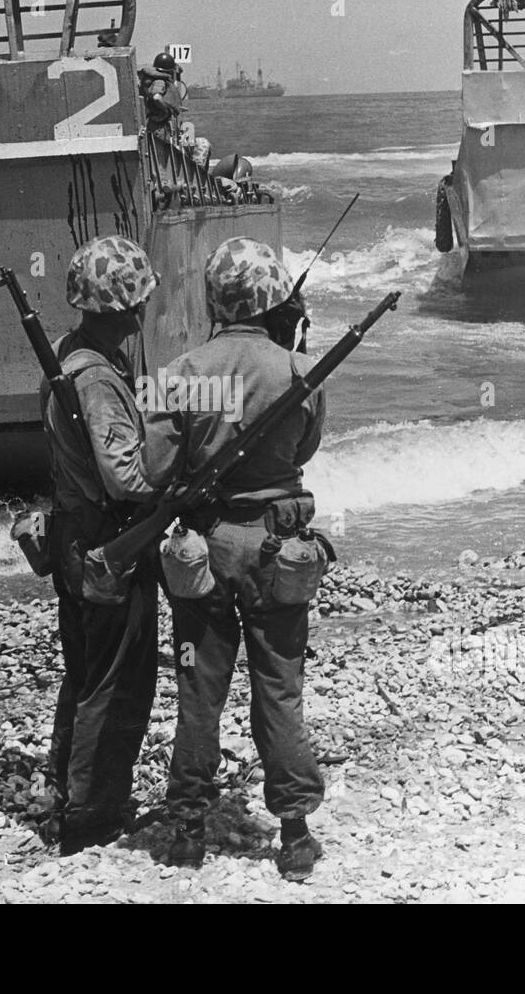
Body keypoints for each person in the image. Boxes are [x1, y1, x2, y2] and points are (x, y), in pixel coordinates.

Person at [142, 237, 328, 882]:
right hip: (280, 547)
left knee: (199, 687)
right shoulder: (299, 370)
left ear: (215, 297)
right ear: (274, 296)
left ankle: (189, 827)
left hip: (204, 550)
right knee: (280, 688)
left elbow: (156, 467)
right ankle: (296, 835)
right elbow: (305, 447)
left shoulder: (182, 373)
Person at [43, 235, 161, 855]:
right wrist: (175, 484)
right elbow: (123, 476)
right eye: (138, 300)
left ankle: (71, 787)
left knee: (85, 672)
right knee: (115, 681)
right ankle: (93, 814)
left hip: (73, 538)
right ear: (125, 309)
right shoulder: (97, 378)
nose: (144, 312)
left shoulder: (71, 354)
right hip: (107, 545)